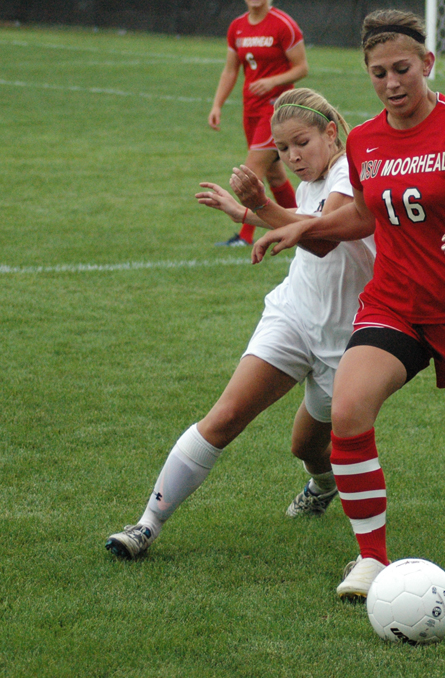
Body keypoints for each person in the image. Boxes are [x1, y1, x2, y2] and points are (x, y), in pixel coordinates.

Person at [247, 9, 445, 601]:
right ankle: (371, 559)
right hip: (393, 305)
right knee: (349, 411)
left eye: (402, 69)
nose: (391, 83)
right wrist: (299, 226)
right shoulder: (365, 140)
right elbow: (363, 217)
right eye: (378, 73)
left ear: (427, 63)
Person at [106, 89, 376, 559]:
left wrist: (261, 206)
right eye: (283, 148)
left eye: (302, 143)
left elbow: (321, 238)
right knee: (226, 416)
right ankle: (146, 525)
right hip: (293, 315)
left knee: (306, 446)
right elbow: (301, 221)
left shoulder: (350, 172)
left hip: (345, 338)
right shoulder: (313, 177)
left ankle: (323, 484)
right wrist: (245, 212)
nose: (292, 157)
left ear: (331, 133)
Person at [209, 0, 309, 247]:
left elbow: (301, 68)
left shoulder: (283, 25)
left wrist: (273, 81)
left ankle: (244, 236)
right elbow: (230, 70)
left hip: (276, 110)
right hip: (251, 110)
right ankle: (302, 227)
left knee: (250, 171)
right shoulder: (237, 27)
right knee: (275, 176)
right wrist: (217, 105)